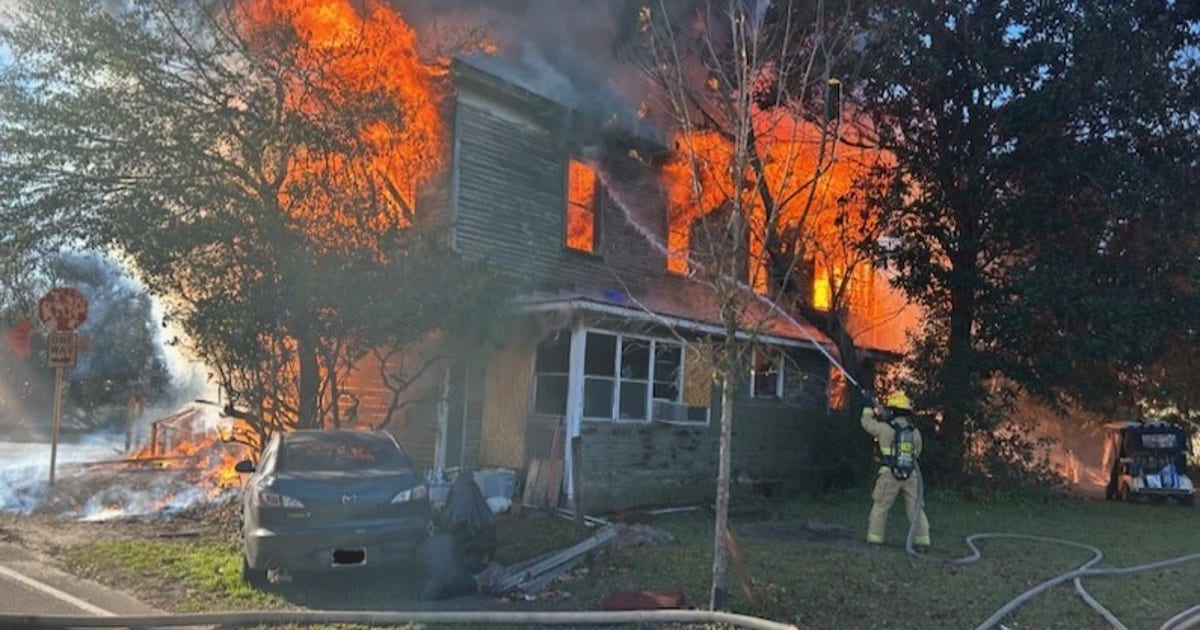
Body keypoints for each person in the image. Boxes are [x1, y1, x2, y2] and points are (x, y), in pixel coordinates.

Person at [861, 392, 931, 551]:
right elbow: (917, 453)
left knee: (881, 506)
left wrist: (867, 407)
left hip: (889, 473)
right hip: (911, 475)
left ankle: (875, 540)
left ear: (891, 411)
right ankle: (923, 541)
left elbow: (866, 423)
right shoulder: (915, 432)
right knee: (915, 508)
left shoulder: (885, 429)